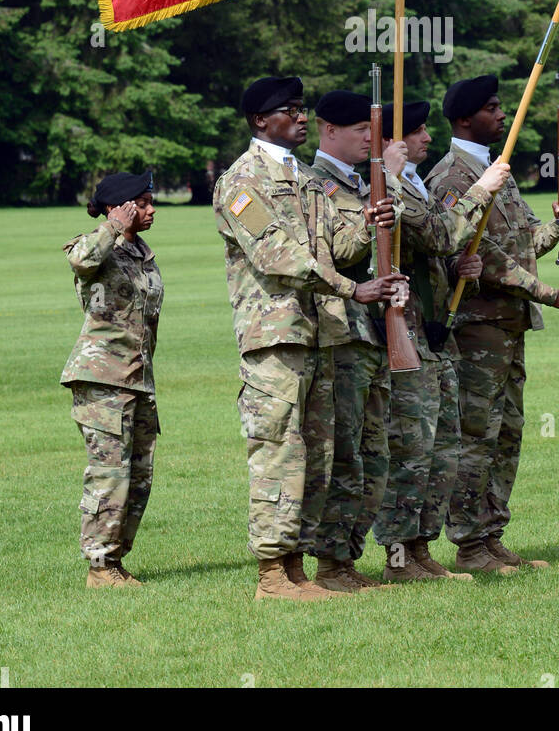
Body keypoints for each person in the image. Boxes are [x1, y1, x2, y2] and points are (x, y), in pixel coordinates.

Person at [213, 76, 404, 603]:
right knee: (278, 452)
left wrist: (371, 222)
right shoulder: (241, 182)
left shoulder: (305, 180)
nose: (300, 117)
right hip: (274, 338)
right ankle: (272, 575)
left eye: (301, 109)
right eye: (289, 111)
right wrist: (352, 288)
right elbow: (277, 256)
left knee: (318, 457)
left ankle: (301, 569)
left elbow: (336, 247)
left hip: (321, 336)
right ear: (259, 120)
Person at [426, 76, 559, 574]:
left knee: (507, 435)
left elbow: (520, 246)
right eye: (492, 108)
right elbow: (479, 255)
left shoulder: (496, 173)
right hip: (477, 330)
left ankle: (492, 534)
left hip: (508, 326)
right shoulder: (451, 180)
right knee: (475, 437)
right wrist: (550, 293)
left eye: (502, 107)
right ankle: (469, 544)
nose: (502, 116)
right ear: (463, 120)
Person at [373, 98, 512, 583]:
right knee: (410, 447)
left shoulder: (411, 183)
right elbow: (436, 233)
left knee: (442, 448)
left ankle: (420, 549)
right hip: (406, 331)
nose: (426, 138)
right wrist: (479, 193)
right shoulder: (392, 186)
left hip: (435, 330)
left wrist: (458, 269)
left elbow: (436, 252)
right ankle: (397, 557)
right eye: (415, 131)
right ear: (393, 142)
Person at [307, 90, 398, 592]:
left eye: (372, 128)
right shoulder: (314, 185)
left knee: (374, 453)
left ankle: (349, 557)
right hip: (340, 333)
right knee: (344, 454)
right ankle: (331, 563)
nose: (371, 137)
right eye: (361, 129)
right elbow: (330, 255)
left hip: (374, 333)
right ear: (329, 130)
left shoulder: (363, 182)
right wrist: (371, 221)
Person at [61, 170, 161, 589]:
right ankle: (99, 567)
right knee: (109, 474)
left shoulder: (141, 252)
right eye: (142, 202)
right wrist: (113, 226)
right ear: (119, 206)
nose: (151, 209)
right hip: (102, 379)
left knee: (139, 476)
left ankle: (115, 561)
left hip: (138, 378)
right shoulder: (96, 246)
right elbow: (81, 260)